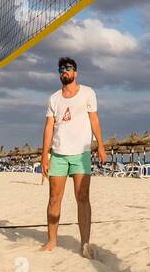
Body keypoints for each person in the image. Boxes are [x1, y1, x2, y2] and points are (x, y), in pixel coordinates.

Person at [39, 57, 106, 256]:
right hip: (58, 154)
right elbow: (49, 127)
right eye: (61, 69)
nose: (64, 71)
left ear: (75, 72)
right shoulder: (53, 98)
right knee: (54, 199)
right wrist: (45, 155)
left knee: (83, 198)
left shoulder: (88, 93)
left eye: (68, 68)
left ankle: (85, 244)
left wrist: (101, 145)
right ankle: (51, 241)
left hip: (81, 153)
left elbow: (94, 120)